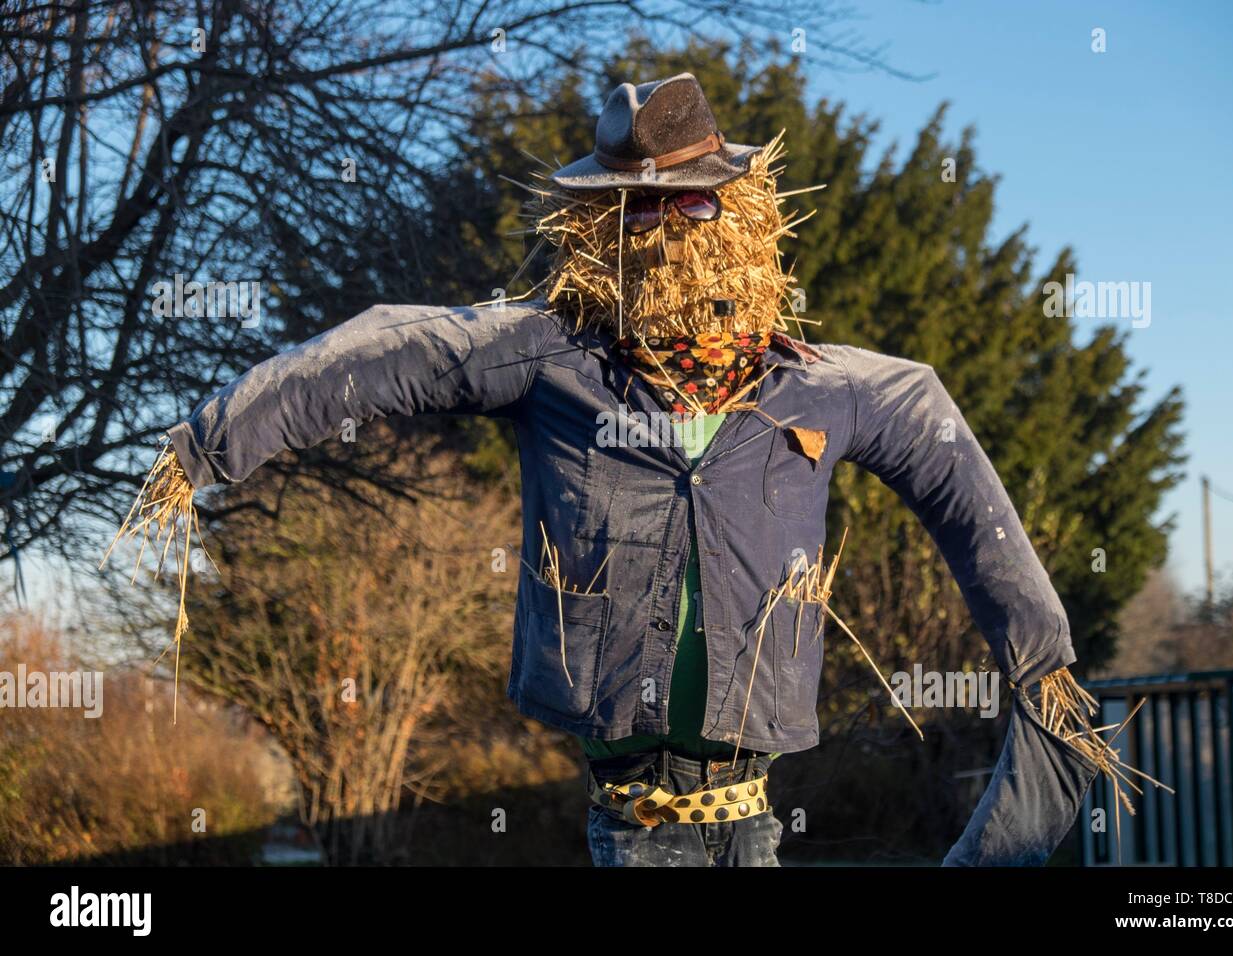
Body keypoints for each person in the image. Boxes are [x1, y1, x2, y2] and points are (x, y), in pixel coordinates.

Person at [158, 73, 1107, 867]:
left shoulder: (825, 390)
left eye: (687, 201)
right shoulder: (551, 361)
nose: (659, 229)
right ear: (599, 232)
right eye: (631, 208)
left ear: (741, 217)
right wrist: (208, 444)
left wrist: (1043, 663)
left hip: (753, 820)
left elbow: (950, 463)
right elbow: (389, 348)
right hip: (628, 823)